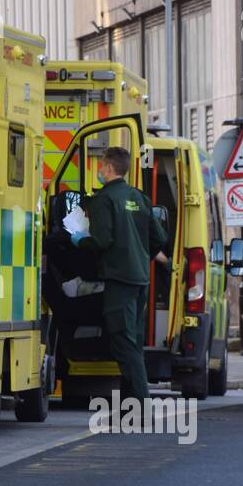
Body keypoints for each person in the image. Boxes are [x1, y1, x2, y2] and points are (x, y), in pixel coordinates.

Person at [72, 146, 168, 401]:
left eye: (101, 165)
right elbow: (159, 237)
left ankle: (142, 406)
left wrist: (79, 241)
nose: (99, 170)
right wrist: (139, 255)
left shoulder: (104, 199)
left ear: (110, 168)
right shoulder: (139, 197)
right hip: (139, 280)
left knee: (123, 344)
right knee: (133, 344)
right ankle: (130, 408)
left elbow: (102, 241)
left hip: (119, 281)